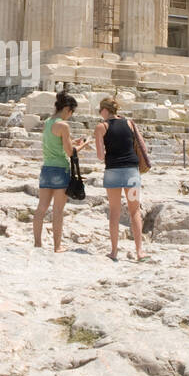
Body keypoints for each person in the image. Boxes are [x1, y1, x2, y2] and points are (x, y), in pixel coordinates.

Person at [32, 92, 89, 252]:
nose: (70, 116)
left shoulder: (48, 122)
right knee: (58, 210)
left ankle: (37, 244)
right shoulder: (64, 125)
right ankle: (57, 246)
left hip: (46, 169)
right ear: (66, 109)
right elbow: (70, 152)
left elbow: (56, 143)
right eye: (71, 112)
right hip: (60, 169)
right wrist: (84, 144)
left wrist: (71, 141)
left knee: (41, 208)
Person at [93, 97, 146, 262]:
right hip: (131, 173)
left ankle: (114, 251)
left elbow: (101, 156)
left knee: (114, 212)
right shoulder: (129, 123)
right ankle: (139, 252)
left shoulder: (101, 127)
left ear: (104, 110)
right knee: (134, 211)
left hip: (113, 172)